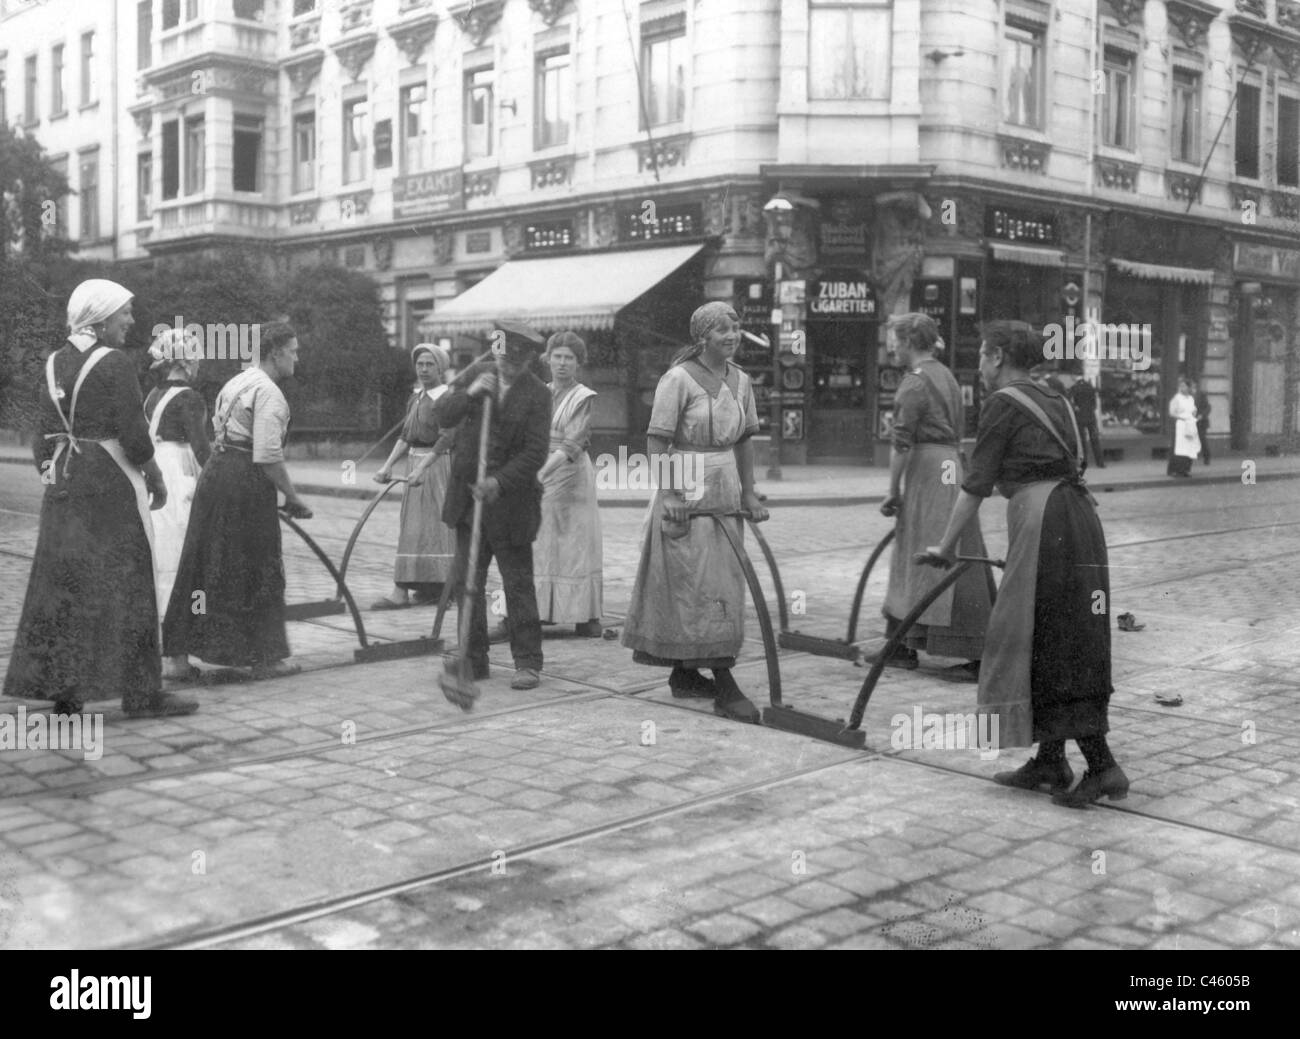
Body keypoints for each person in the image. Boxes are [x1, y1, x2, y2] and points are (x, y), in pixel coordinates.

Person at [918, 320, 1126, 808]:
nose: (980, 366)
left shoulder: (1002, 403)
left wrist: (945, 544)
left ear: (995, 355)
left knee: (1043, 639)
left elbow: (975, 483)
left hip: (1044, 524)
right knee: (1065, 635)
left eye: (983, 355)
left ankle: (1103, 766)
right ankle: (1051, 759)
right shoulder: (1057, 396)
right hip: (1078, 519)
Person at [3, 279, 197, 718]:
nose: (131, 321)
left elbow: (41, 441)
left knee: (65, 584)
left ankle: (66, 695)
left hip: (64, 484)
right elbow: (133, 435)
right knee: (130, 581)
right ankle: (143, 694)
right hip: (109, 483)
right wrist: (155, 479)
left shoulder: (52, 363)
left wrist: (55, 476)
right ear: (103, 318)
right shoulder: (115, 363)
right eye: (125, 313)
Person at [621, 301, 771, 723]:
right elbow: (656, 441)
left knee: (719, 582)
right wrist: (667, 494)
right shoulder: (678, 379)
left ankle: (685, 676)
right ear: (702, 337)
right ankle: (723, 684)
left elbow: (744, 441)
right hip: (685, 489)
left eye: (736, 328)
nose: (731, 335)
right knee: (691, 585)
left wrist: (750, 495)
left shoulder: (741, 381)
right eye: (722, 329)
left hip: (724, 488)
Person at [162, 322, 313, 680]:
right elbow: (267, 454)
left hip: (215, 476)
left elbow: (217, 431)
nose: (297, 357)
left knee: (201, 562)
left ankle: (178, 660)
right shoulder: (271, 394)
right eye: (293, 350)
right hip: (246, 482)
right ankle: (267, 657)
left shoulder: (237, 381)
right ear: (275, 352)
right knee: (260, 565)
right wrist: (292, 496)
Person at [437, 322, 551, 690]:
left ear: (530, 360)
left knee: (517, 583)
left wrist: (499, 482)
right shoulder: (478, 373)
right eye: (503, 359)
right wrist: (469, 394)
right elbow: (442, 415)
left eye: (516, 363)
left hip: (512, 505)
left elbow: (535, 452)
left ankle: (527, 663)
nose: (507, 367)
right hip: (468, 502)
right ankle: (474, 658)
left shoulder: (537, 395)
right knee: (466, 582)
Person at [877, 314, 992, 677]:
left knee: (925, 553)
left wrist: (893, 490)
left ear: (909, 341)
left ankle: (959, 649)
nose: (891, 347)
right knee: (956, 545)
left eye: (894, 340)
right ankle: (904, 643)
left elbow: (901, 443)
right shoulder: (946, 375)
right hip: (951, 466)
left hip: (927, 469)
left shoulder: (913, 383)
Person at [144, 329, 212, 681]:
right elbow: (201, 447)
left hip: (156, 474)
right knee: (182, 564)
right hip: (180, 475)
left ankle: (159, 650)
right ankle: (177, 659)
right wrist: (215, 481)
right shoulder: (190, 398)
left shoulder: (153, 395)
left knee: (161, 561)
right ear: (186, 360)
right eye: (197, 356)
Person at [371, 343, 457, 610]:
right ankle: (422, 587)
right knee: (412, 527)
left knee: (437, 527)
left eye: (429, 364)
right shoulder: (416, 397)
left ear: (440, 368)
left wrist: (423, 468)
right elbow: (406, 436)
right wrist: (387, 466)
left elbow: (446, 439)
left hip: (437, 466)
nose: (423, 369)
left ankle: (437, 588)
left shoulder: (446, 399)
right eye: (420, 364)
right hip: (414, 466)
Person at [532, 331, 603, 637]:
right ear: (547, 359)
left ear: (578, 363)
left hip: (571, 474)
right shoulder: (540, 393)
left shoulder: (583, 397)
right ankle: (541, 611)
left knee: (575, 543)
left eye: (569, 358)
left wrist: (541, 473)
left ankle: (584, 615)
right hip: (541, 469)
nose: (562, 363)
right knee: (542, 540)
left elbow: (573, 442)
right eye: (557, 356)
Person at [1067, 373, 1106, 469]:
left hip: (1080, 418)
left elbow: (1070, 402)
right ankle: (1100, 463)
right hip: (1091, 417)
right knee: (1095, 440)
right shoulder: (1090, 387)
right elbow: (1095, 405)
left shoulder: (1074, 388)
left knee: (1082, 441)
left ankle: (1085, 463)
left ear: (1074, 377)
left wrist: (1076, 408)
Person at [1167, 377, 1200, 478]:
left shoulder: (1191, 398)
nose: (1182, 388)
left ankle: (1185, 469)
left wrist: (1193, 414)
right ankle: (1176, 470)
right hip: (1181, 424)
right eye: (1181, 386)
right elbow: (1172, 412)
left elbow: (1194, 410)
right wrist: (1182, 417)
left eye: (1184, 386)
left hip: (1190, 424)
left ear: (1189, 388)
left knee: (1189, 447)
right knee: (1180, 447)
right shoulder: (1177, 398)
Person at [1192, 378, 1211, 465]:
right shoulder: (1186, 395)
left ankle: (1207, 457)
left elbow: (1208, 407)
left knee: (1202, 440)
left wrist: (1202, 415)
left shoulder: (1201, 394)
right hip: (1190, 422)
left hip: (1200, 422)